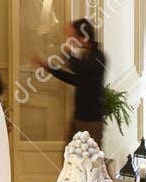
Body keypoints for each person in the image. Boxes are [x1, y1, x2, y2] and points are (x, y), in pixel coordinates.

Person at [36, 18, 107, 147]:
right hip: (79, 118)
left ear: (83, 37)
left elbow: (78, 68)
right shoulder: (87, 55)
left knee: (90, 164)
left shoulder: (98, 57)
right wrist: (47, 67)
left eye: (72, 36)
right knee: (69, 158)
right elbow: (75, 79)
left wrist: (67, 51)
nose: (70, 39)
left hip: (91, 122)